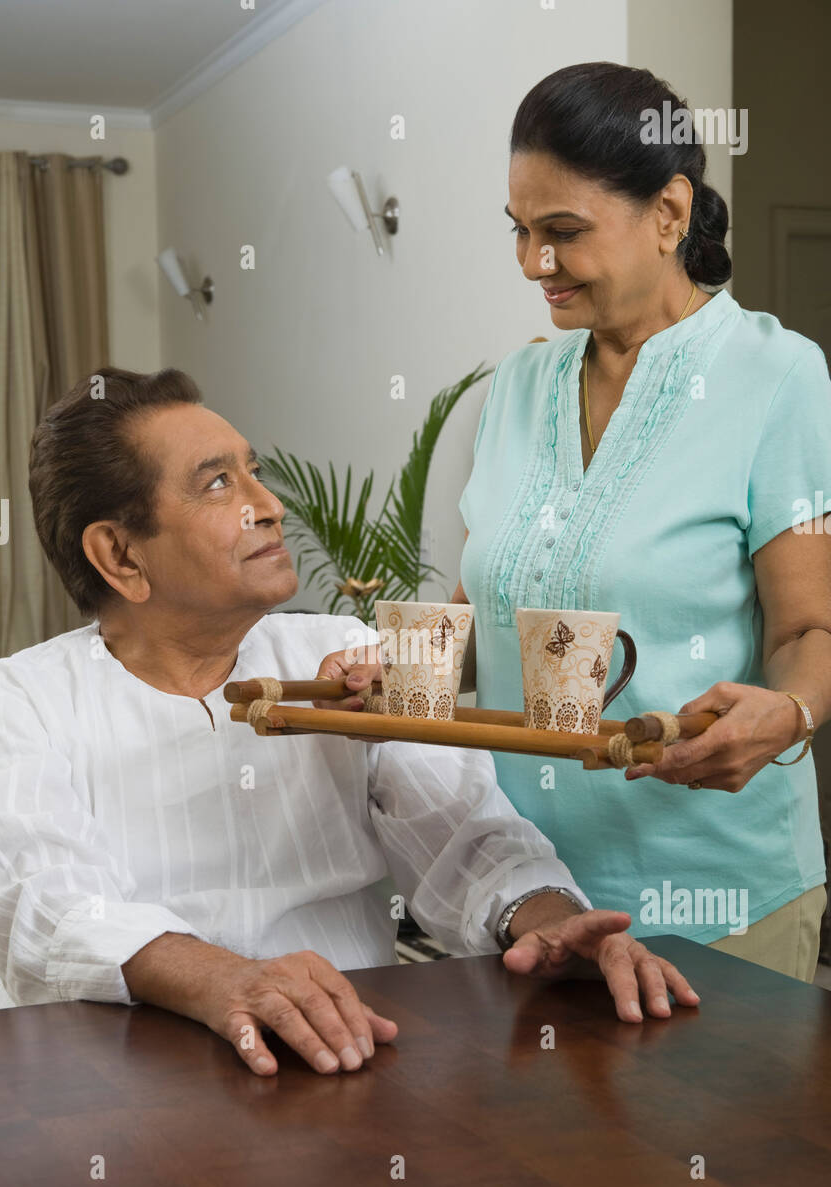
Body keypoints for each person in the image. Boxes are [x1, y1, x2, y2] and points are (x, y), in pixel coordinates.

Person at [0, 368, 699, 1075]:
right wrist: (231, 982)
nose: (269, 504)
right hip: (102, 1084)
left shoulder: (339, 659)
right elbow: (49, 908)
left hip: (346, 1052)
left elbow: (470, 842)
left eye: (253, 471)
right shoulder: (10, 702)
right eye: (219, 483)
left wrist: (547, 923)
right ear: (120, 554)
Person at [315, 62, 831, 982]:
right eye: (519, 232)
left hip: (715, 897)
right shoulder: (517, 387)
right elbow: (479, 615)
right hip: (529, 893)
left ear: (669, 213)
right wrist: (390, 675)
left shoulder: (778, 377)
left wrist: (788, 713)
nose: (531, 264)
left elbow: (808, 627)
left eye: (563, 232)